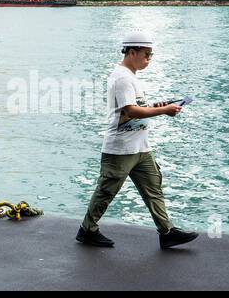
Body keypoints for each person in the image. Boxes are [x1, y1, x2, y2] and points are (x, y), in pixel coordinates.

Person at [76, 30, 198, 250]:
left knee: (153, 188)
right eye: (146, 54)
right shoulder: (122, 77)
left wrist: (156, 106)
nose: (148, 59)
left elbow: (137, 107)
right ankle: (87, 230)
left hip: (140, 147)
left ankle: (166, 231)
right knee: (106, 190)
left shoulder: (131, 76)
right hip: (120, 149)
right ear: (132, 52)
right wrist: (164, 111)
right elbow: (130, 111)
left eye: (150, 55)